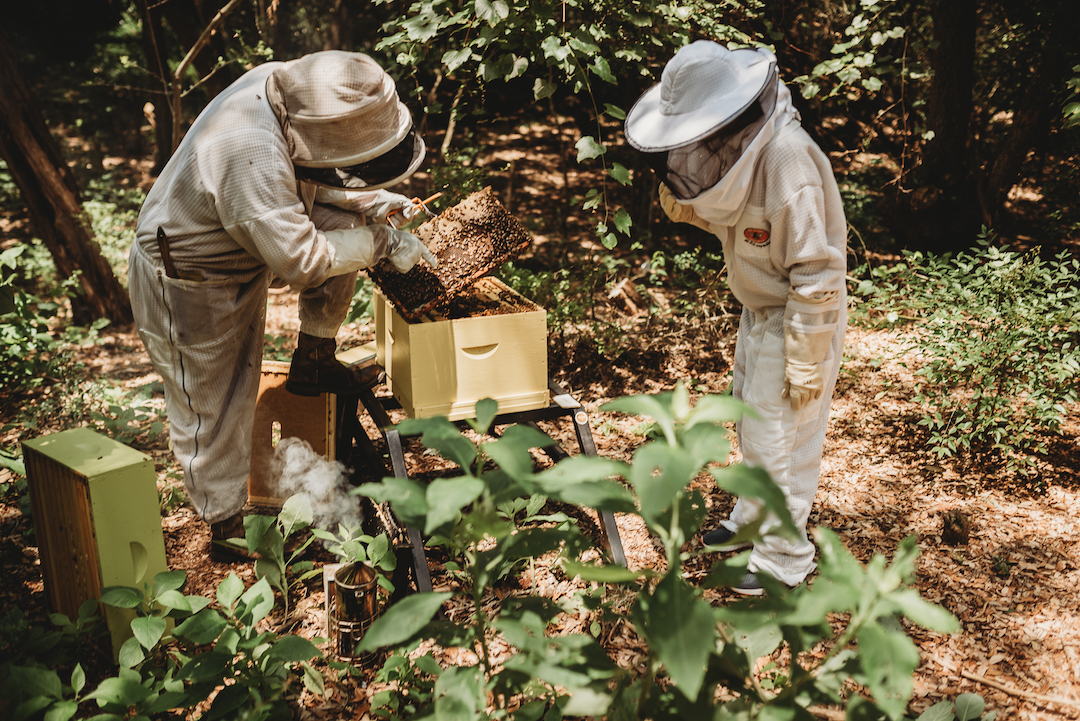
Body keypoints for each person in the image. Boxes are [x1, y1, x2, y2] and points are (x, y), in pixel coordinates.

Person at [129, 50, 437, 560]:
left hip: (241, 244)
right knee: (211, 399)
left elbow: (314, 176)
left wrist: (374, 204)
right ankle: (225, 526)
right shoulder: (246, 147)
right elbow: (303, 258)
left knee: (351, 233)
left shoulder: (293, 93)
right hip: (189, 277)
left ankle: (313, 359)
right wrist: (384, 243)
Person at [623, 41, 847, 595]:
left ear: (732, 119)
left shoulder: (788, 162)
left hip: (800, 314)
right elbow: (740, 221)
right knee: (753, 424)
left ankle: (784, 558)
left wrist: (804, 356)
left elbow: (818, 271)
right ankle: (752, 515)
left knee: (782, 438)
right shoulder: (743, 156)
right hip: (760, 311)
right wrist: (693, 211)